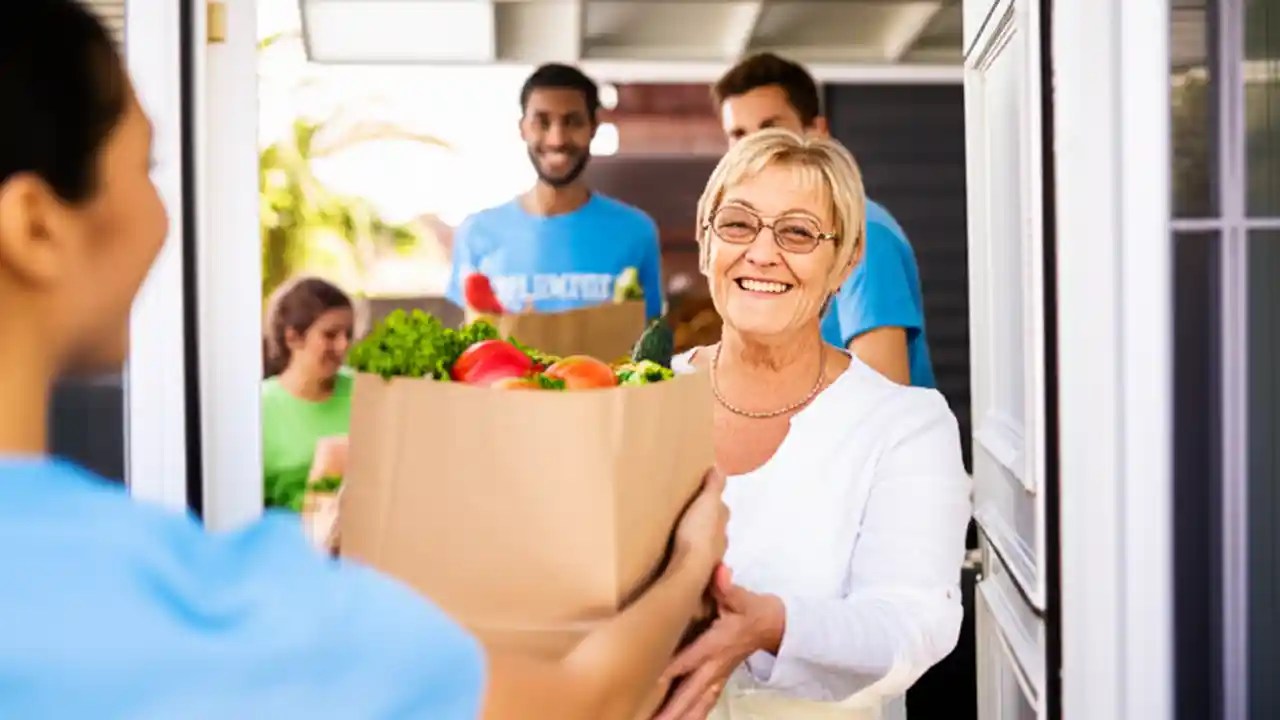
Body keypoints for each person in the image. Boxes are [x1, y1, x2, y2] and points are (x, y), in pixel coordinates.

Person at [0, 3, 728, 718]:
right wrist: (692, 561)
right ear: (36, 227)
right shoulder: (182, 604)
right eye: (148, 166)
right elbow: (585, 702)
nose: (163, 213)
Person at [653, 129, 971, 720]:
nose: (763, 252)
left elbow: (915, 625)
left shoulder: (904, 426)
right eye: (738, 224)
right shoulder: (642, 397)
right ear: (705, 243)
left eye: (798, 232)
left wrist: (772, 625)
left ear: (846, 261)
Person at [711, 52, 936, 388]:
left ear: (816, 132)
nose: (755, 147)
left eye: (771, 129)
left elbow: (882, 399)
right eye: (739, 134)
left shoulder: (863, 234)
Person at [445, 63, 665, 321]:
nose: (557, 139)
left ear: (593, 128)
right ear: (523, 128)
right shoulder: (477, 232)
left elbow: (650, 339)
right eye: (542, 122)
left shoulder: (636, 231)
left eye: (573, 122)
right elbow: (466, 347)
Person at [261, 276, 354, 511]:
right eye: (330, 335)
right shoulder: (261, 407)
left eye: (348, 334)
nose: (343, 345)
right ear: (293, 337)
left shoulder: (365, 394)